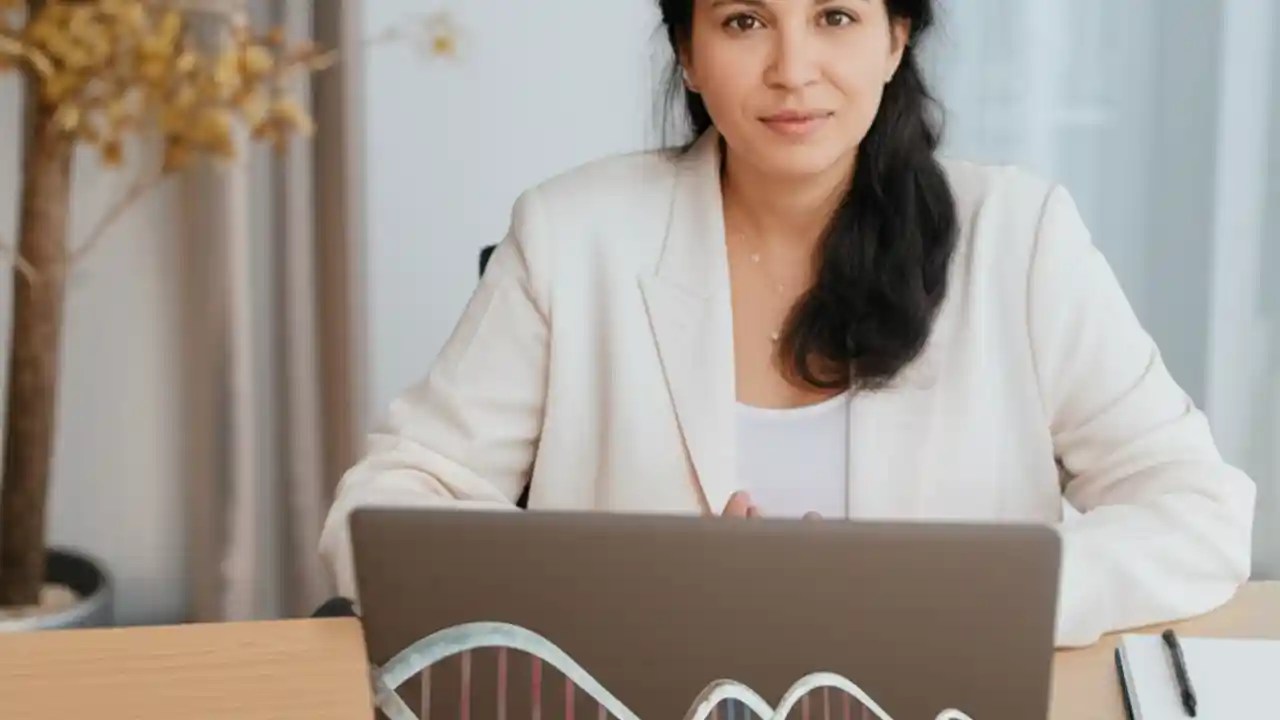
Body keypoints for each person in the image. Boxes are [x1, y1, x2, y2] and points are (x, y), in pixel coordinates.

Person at [319, 0, 1255, 648]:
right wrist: (631, 593)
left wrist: (941, 601)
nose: (792, 70)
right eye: (744, 21)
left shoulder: (1020, 236)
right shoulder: (573, 234)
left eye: (835, 18)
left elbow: (1197, 515)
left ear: (896, 39)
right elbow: (387, 509)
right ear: (686, 49)